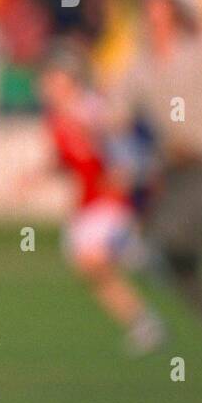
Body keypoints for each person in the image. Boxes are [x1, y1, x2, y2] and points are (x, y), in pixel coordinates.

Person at [111, 0, 202, 348]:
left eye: (159, 13)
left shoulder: (196, 55)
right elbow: (117, 112)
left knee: (181, 237)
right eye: (148, 13)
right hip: (170, 168)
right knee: (174, 252)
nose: (153, 20)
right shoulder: (140, 66)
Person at [33, 50, 166, 355]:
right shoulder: (55, 119)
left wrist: (127, 170)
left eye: (53, 79)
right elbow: (69, 161)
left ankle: (151, 283)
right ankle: (145, 318)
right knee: (89, 267)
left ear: (69, 80)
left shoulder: (90, 109)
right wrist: (35, 176)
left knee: (91, 258)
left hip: (112, 199)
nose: (47, 85)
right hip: (88, 203)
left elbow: (122, 143)